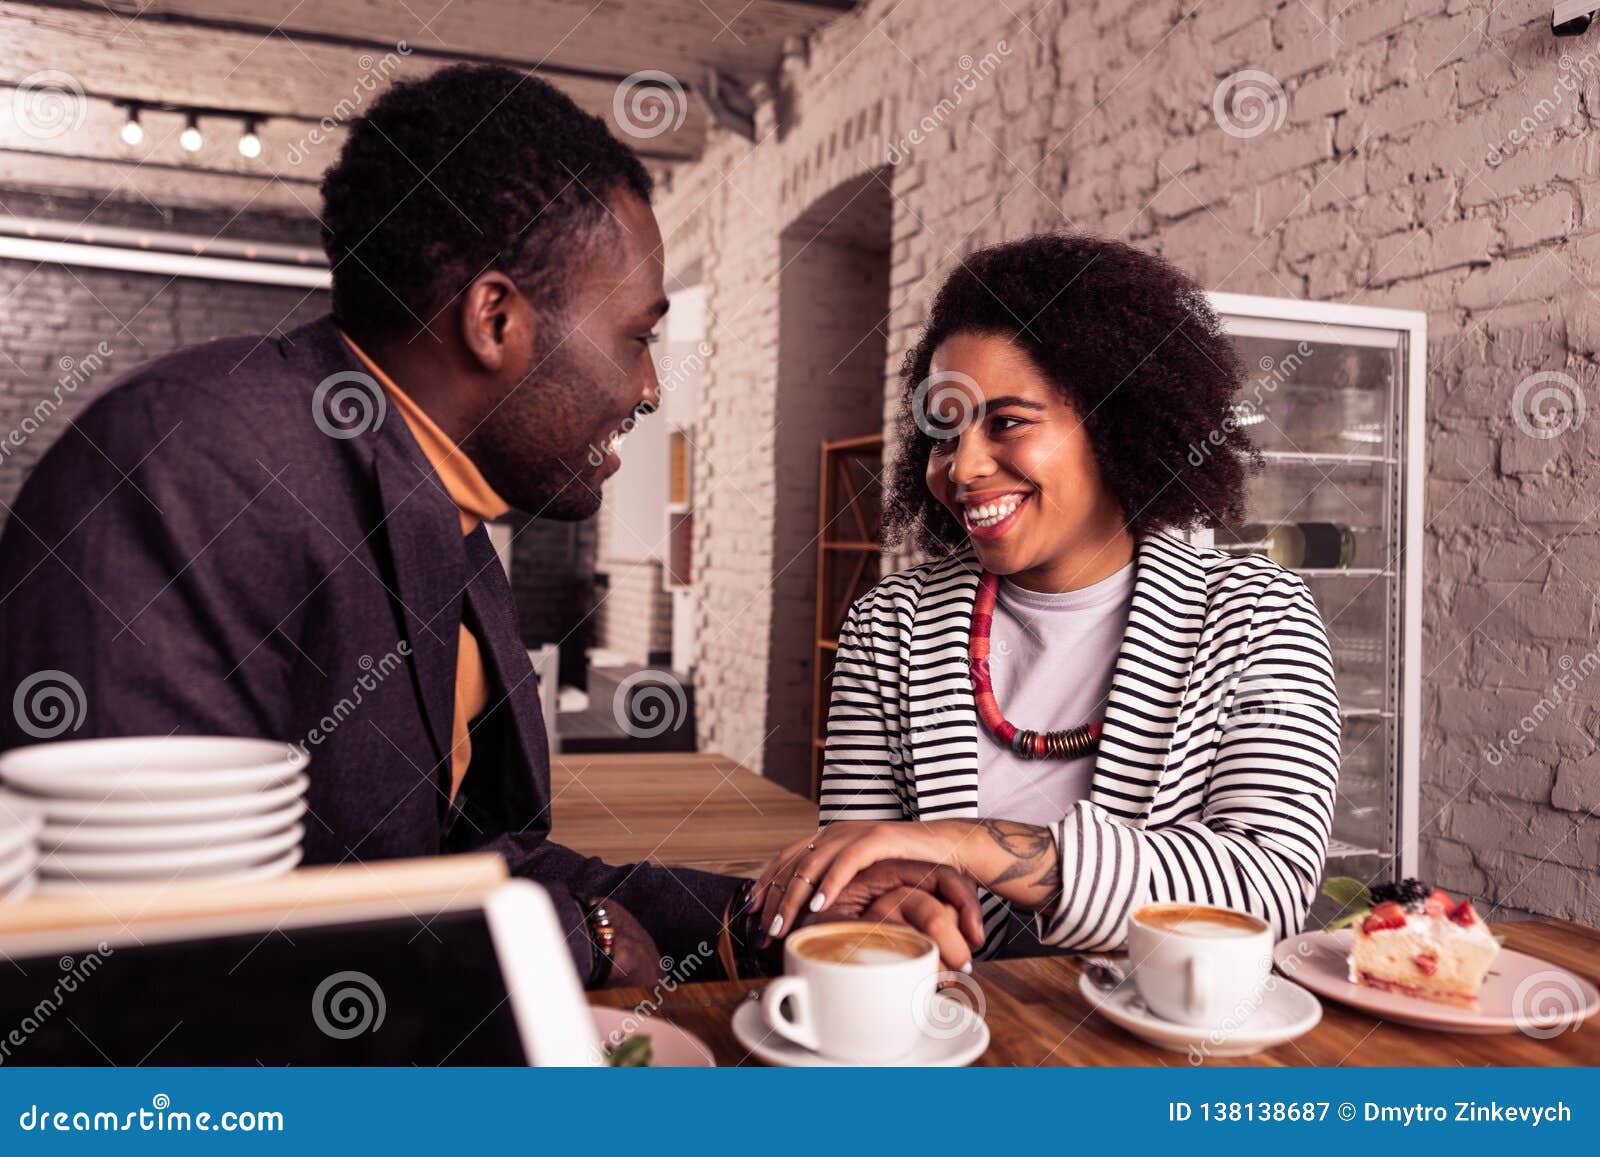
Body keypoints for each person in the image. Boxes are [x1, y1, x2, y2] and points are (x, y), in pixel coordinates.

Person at [0, 65, 980, 984]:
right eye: (637, 336)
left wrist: (777, 917)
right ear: (496, 320)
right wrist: (573, 936)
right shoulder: (198, 460)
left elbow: (481, 862)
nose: (648, 387)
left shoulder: (441, 509)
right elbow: (149, 941)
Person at [753, 234, 1342, 958]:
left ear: (1115, 421)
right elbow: (859, 868)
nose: (963, 467)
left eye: (1006, 422)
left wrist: (965, 844)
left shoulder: (1254, 616)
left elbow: (1266, 888)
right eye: (943, 435)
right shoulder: (890, 624)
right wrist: (888, 909)